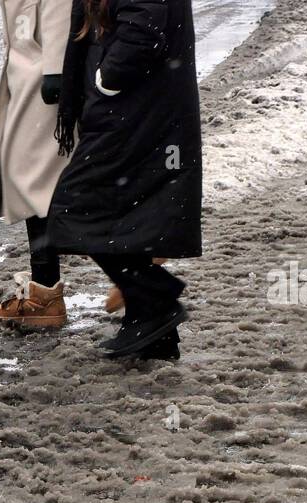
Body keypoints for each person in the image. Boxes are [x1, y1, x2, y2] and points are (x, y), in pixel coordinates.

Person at [48, 0, 202, 360]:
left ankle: (154, 297)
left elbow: (143, 25)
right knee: (133, 215)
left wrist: (107, 79)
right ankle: (155, 334)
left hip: (133, 111)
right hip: (139, 110)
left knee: (77, 206)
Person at [0, 0, 75, 328]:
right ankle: (45, 290)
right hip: (28, 73)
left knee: (36, 183)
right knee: (35, 183)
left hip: (41, 77)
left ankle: (46, 295)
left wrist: (55, 67)